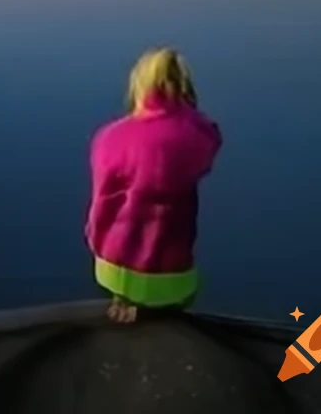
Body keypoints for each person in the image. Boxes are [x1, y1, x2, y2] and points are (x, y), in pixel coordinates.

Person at [85, 47, 222, 324]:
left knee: (122, 288)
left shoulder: (109, 138)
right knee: (178, 303)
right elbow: (211, 138)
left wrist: (94, 239)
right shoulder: (194, 136)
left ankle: (123, 301)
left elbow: (101, 204)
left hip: (113, 267)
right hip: (171, 275)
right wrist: (184, 109)